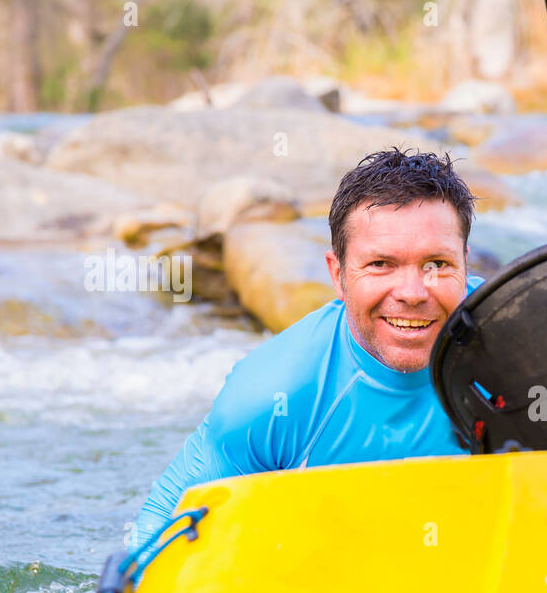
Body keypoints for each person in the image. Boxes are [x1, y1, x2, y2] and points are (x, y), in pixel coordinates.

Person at [132, 148, 481, 547]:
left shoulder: (523, 344)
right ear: (337, 274)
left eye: (437, 264)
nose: (412, 293)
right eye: (381, 264)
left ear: (465, 263)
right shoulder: (273, 396)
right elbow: (155, 542)